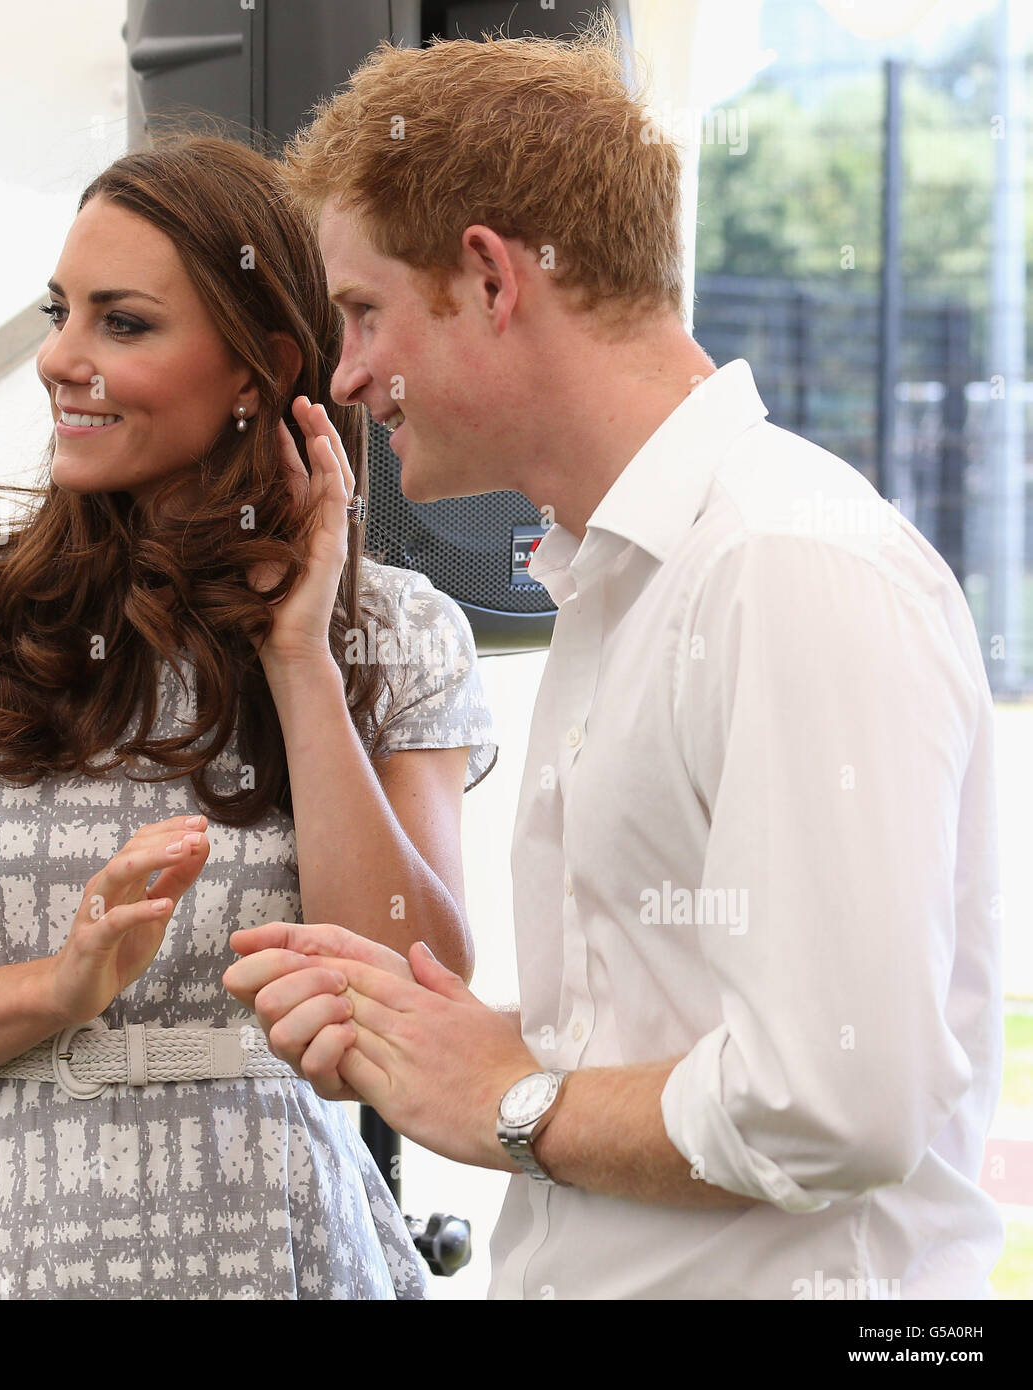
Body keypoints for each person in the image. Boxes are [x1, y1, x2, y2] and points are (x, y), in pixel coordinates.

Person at [223, 14, 1006, 1300]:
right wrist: (454, 1040)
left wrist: (507, 1098)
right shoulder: (623, 575)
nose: (349, 375)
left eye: (362, 313)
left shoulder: (779, 562)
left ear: (489, 278)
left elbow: (839, 1100)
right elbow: (680, 1035)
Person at [0, 130, 498, 1300]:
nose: (60, 358)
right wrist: (55, 991)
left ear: (257, 369)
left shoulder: (396, 633)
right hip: (22, 1254)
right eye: (58, 311)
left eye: (121, 322)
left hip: (291, 1249)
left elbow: (413, 999)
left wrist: (300, 662)